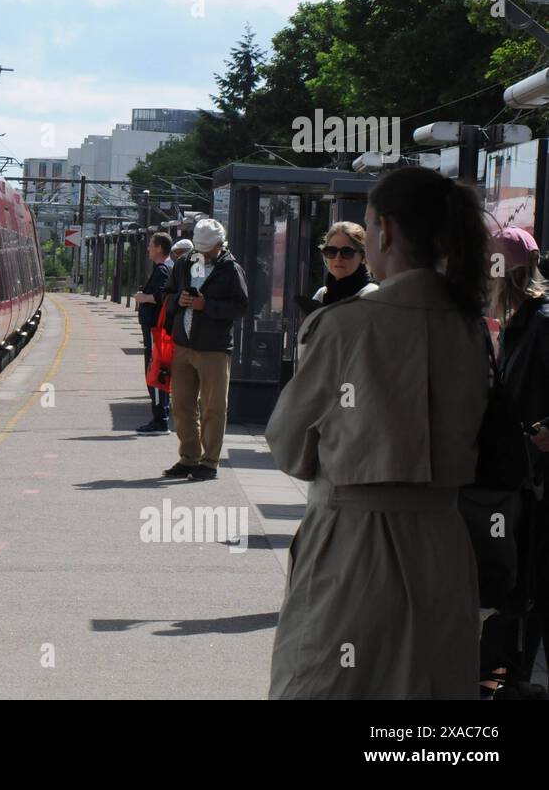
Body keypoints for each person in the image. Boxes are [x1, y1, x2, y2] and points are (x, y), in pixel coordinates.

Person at [266, 167, 490, 699]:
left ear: (384, 231)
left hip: (353, 545)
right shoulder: (469, 327)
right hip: (444, 544)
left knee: (326, 681)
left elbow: (291, 447)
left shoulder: (341, 326)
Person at [479, 226, 549, 695]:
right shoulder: (522, 322)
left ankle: (517, 680)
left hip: (538, 481)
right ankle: (511, 678)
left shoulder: (541, 323)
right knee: (521, 585)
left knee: (533, 587)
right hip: (522, 479)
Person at [160, 218, 248, 481]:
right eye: (199, 248)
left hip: (214, 349)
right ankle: (188, 457)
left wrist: (206, 306)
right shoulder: (184, 263)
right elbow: (168, 295)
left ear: (220, 245)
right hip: (183, 344)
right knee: (182, 406)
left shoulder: (231, 270)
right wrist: (179, 299)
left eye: (207, 249)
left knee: (213, 407)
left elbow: (240, 307)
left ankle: (210, 462)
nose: (202, 253)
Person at [134, 233, 174, 434]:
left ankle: (160, 420)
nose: (148, 248)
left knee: (155, 371)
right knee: (157, 371)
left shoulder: (163, 269)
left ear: (159, 248)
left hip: (155, 331)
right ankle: (160, 417)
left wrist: (143, 297)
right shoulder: (167, 267)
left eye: (150, 245)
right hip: (156, 330)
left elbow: (162, 296)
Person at [311, 222, 378, 305]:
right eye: (331, 251)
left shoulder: (372, 295)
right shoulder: (321, 295)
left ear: (363, 256)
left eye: (347, 252)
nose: (338, 258)